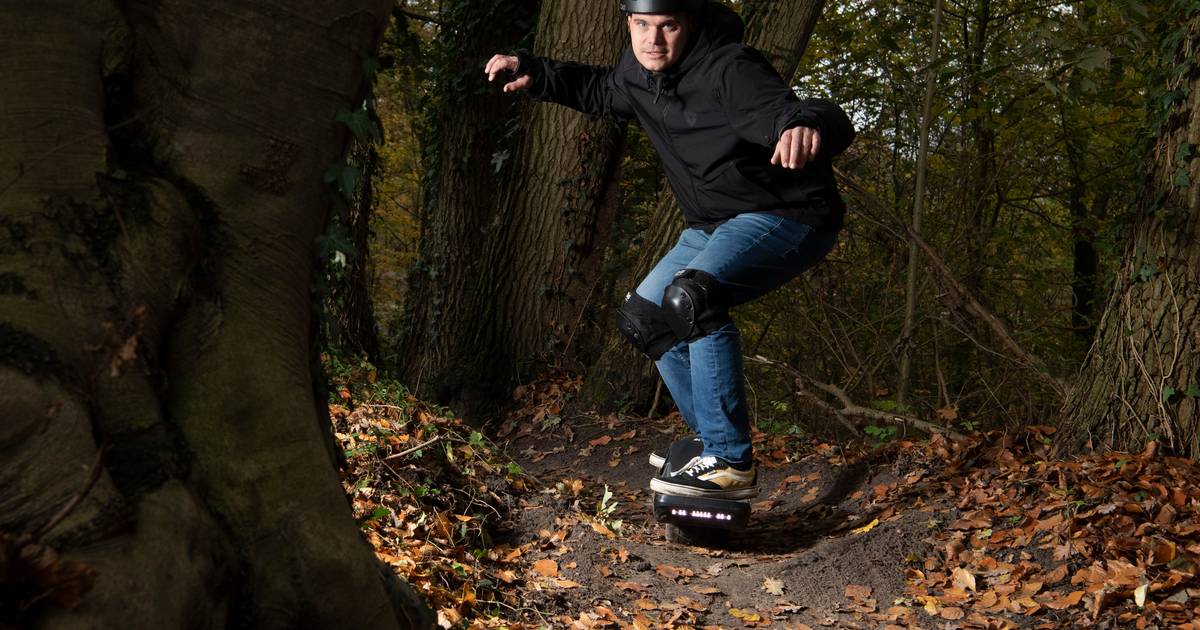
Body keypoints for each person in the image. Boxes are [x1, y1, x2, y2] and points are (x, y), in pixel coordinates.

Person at [485, 0, 854, 500]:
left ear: (690, 24)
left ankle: (730, 461)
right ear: (628, 23)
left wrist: (804, 125)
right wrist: (536, 73)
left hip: (786, 215)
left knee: (693, 298)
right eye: (641, 26)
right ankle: (712, 444)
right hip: (713, 225)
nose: (652, 41)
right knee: (646, 318)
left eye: (668, 27)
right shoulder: (637, 74)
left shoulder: (729, 68)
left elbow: (798, 111)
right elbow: (599, 89)